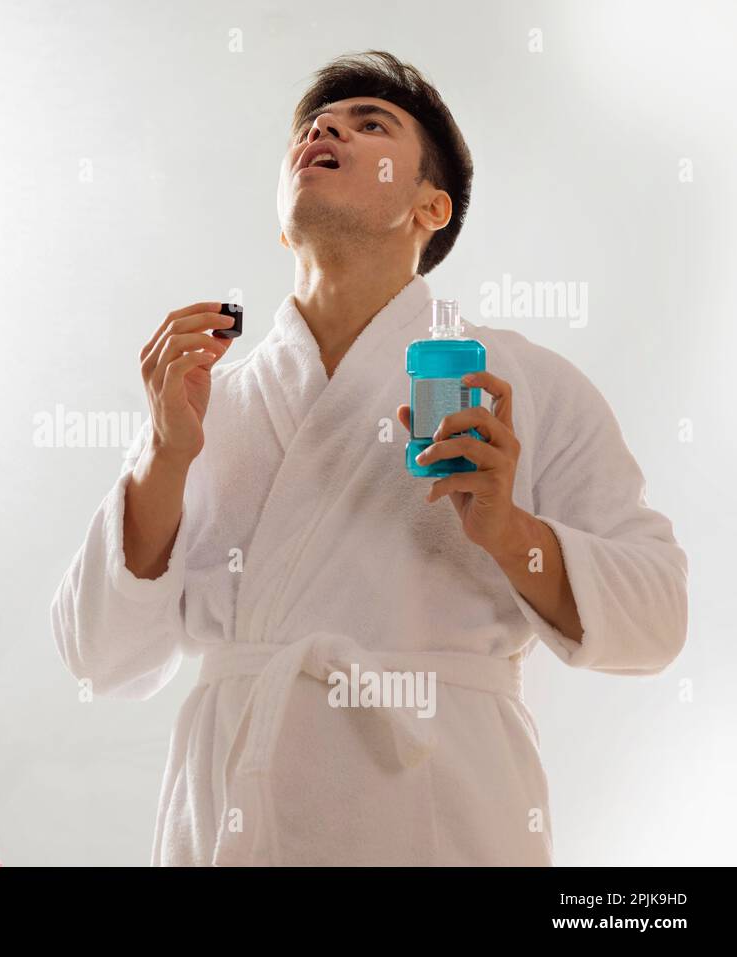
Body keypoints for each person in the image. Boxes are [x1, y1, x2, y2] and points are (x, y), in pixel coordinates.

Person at [49, 50, 688, 866]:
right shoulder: (206, 407)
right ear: (283, 221)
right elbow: (96, 656)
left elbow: (658, 617)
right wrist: (163, 462)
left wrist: (510, 531)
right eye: (315, 126)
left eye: (370, 124)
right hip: (234, 816)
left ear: (431, 205)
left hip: (440, 812)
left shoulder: (522, 382)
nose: (326, 129)